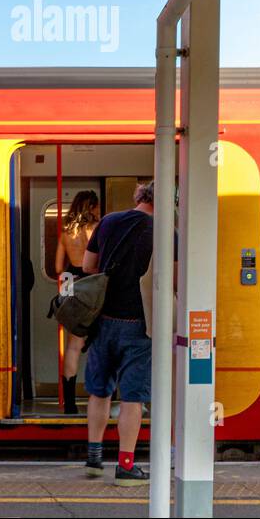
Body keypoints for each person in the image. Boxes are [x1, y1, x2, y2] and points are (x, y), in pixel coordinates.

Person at [80, 181, 156, 486]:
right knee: (131, 398)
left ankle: (94, 459)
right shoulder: (163, 230)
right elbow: (176, 276)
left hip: (103, 320)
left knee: (100, 391)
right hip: (139, 324)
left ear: (139, 197)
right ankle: (126, 466)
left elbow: (88, 265)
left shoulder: (109, 221)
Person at [54, 190, 100, 415]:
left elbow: (57, 268)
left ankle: (70, 405)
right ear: (91, 207)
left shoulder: (65, 233)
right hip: (94, 288)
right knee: (101, 346)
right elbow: (98, 260)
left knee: (72, 347)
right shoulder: (97, 228)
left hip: (74, 288)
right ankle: (100, 400)